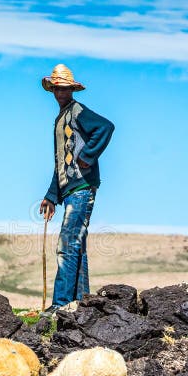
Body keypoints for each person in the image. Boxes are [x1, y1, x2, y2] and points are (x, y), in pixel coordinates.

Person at [39, 64, 114, 313]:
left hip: (82, 186)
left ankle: (60, 304)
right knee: (76, 245)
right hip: (71, 188)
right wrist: (51, 196)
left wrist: (87, 156)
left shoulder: (78, 111)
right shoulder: (61, 118)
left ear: (72, 89)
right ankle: (81, 303)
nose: (60, 92)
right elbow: (61, 161)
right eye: (57, 88)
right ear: (53, 90)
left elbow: (105, 127)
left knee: (67, 243)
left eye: (65, 88)